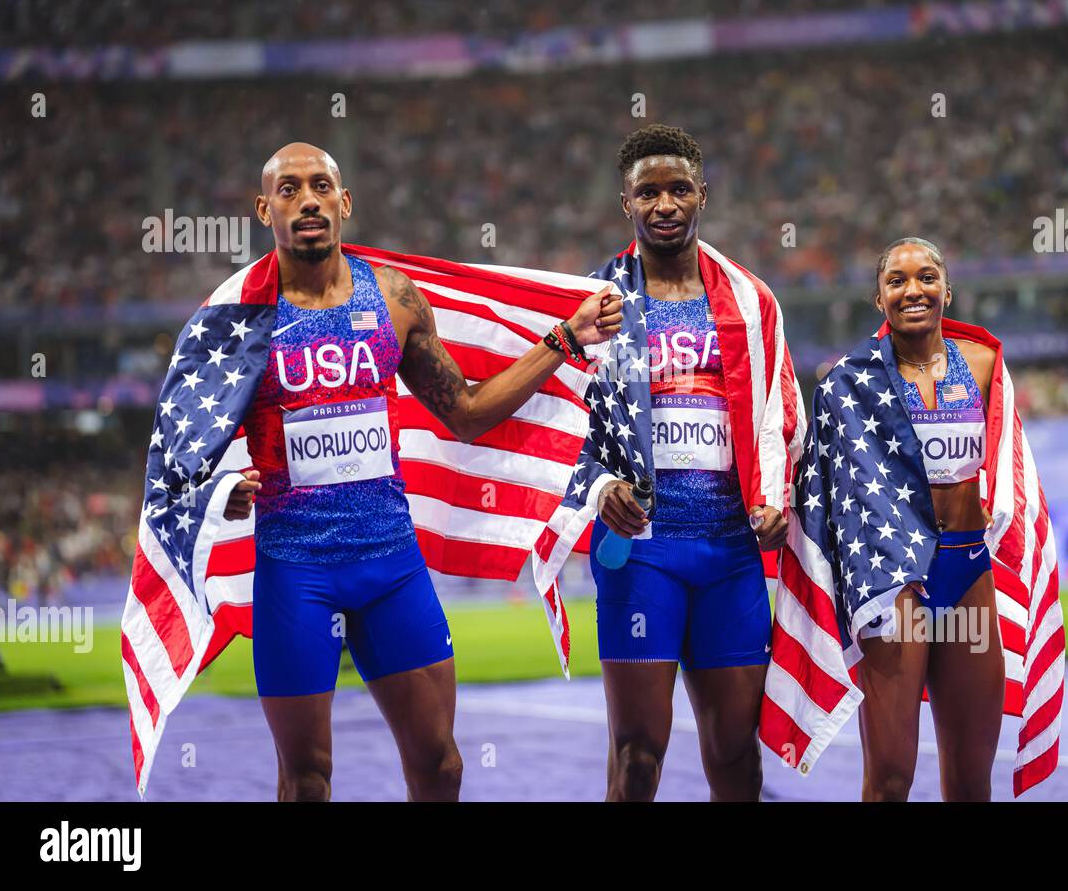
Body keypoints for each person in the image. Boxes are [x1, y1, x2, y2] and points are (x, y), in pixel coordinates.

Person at [226, 142, 621, 800]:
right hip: (297, 570)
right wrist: (224, 492)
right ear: (264, 208)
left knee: (442, 767)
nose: (308, 200)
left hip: (390, 565)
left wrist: (564, 339)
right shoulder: (242, 318)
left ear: (344, 201)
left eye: (320, 185)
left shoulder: (393, 297)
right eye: (289, 189)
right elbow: (190, 453)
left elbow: (466, 412)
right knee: (306, 780)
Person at [553, 124, 803, 801]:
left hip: (730, 548)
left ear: (702, 195)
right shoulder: (595, 303)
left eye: (678, 189)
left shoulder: (751, 302)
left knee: (734, 757)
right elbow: (560, 423)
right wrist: (601, 483)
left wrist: (775, 497)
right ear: (625, 204)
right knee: (637, 757)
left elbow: (778, 412)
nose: (664, 204)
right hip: (641, 550)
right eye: (648, 192)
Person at [853, 237, 1004, 800]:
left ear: (947, 288)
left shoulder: (986, 365)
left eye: (925, 277)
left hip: (967, 571)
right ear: (879, 299)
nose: (912, 289)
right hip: (897, 581)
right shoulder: (856, 381)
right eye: (896, 280)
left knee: (970, 781)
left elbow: (1007, 462)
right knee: (890, 778)